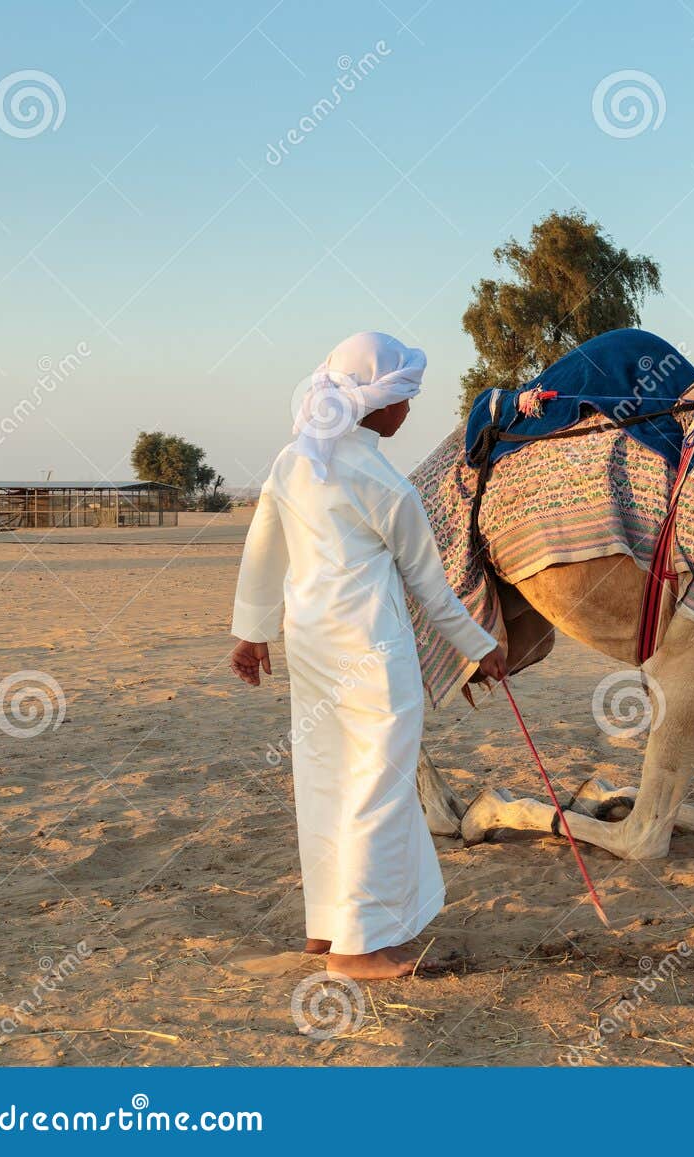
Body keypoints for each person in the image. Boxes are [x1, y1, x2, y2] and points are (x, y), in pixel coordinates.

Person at [228, 332, 506, 980]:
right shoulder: (384, 482)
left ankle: (328, 927)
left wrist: (251, 632)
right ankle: (358, 949)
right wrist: (481, 648)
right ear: (375, 404)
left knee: (327, 776)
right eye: (404, 395)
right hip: (371, 653)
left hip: (311, 646)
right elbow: (431, 589)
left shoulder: (293, 460)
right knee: (378, 783)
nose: (409, 408)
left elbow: (262, 546)